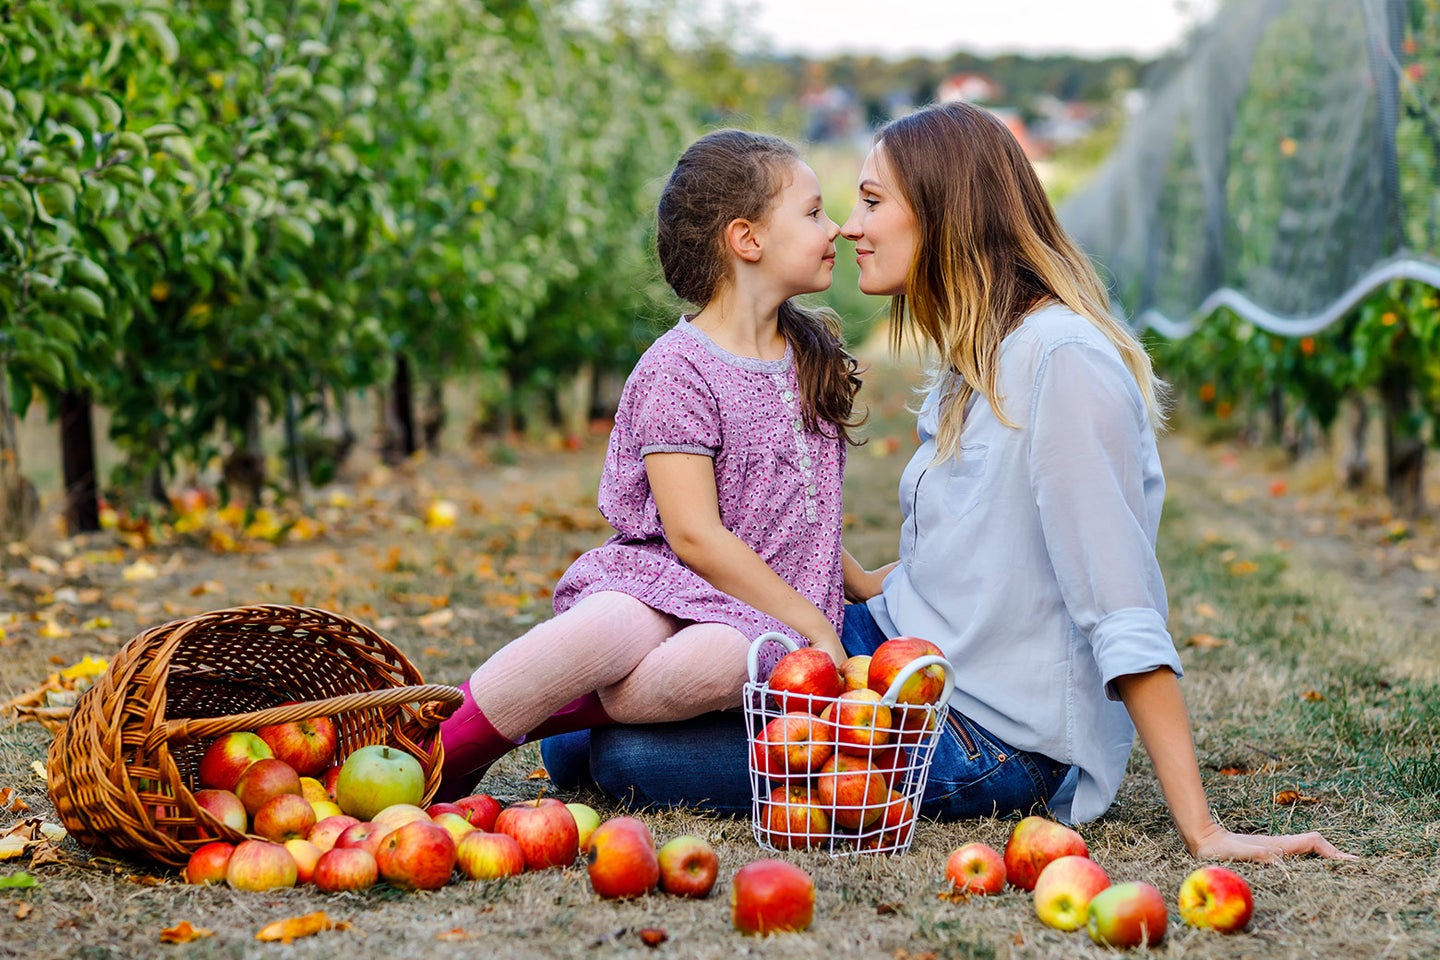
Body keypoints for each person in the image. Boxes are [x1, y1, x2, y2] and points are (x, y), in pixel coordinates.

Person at [542, 103, 1354, 863]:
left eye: (868, 201)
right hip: (897, 648)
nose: (850, 228)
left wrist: (1204, 829)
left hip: (980, 734)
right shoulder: (976, 360)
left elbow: (1121, 604)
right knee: (572, 730)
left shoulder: (1059, 364)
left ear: (944, 214)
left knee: (622, 753)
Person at [434, 129, 863, 801]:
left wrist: (856, 582)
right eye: (813, 212)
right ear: (747, 240)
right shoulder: (681, 369)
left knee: (733, 662)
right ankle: (437, 745)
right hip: (663, 578)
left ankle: (553, 712)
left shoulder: (807, 354)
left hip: (753, 609)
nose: (834, 225)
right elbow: (693, 535)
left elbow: (801, 513)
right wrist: (812, 621)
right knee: (603, 630)